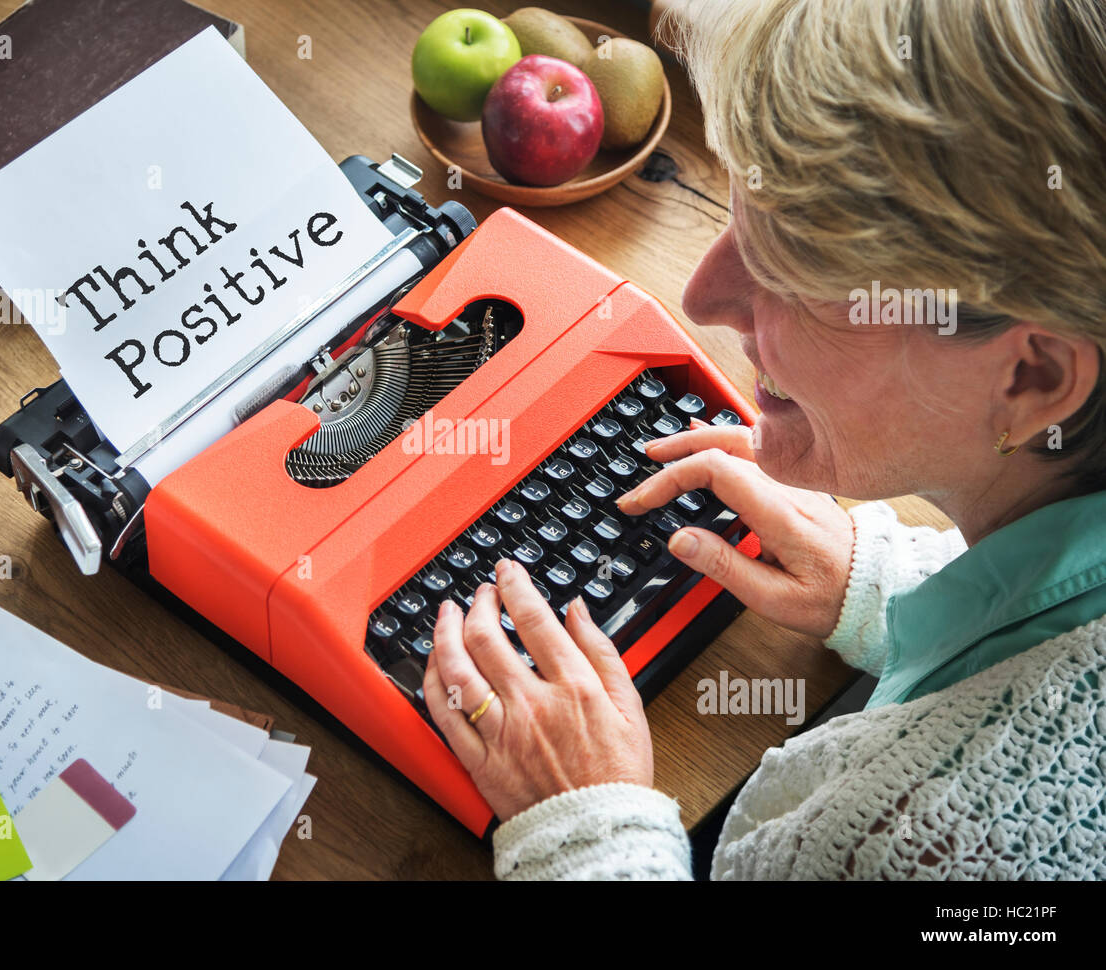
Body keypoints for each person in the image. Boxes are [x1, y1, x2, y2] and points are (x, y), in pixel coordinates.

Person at [422, 0, 1106, 879]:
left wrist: (586, 834)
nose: (703, 297)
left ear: (1034, 378)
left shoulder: (928, 845)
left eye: (792, 269)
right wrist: (895, 596)